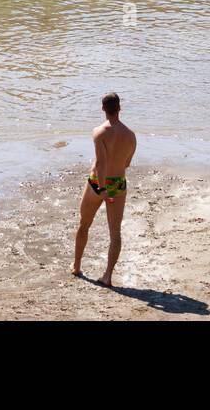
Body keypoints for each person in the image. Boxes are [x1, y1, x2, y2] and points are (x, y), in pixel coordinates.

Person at [72, 93, 137, 288]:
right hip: (117, 185)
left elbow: (100, 163)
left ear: (102, 108)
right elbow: (126, 163)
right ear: (120, 108)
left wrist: (101, 188)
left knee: (84, 224)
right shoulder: (130, 135)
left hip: (97, 184)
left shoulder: (99, 132)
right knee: (115, 233)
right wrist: (110, 190)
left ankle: (76, 266)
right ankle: (108, 275)